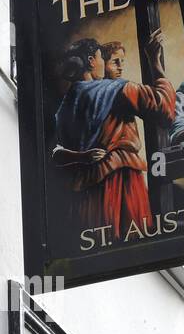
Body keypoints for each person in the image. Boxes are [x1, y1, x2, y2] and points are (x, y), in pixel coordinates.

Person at [51, 32, 176, 239]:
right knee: (133, 242)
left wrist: (82, 157)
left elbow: (57, 153)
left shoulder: (65, 107)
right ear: (91, 61)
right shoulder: (118, 90)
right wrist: (155, 63)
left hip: (84, 194)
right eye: (102, 57)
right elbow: (164, 109)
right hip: (120, 182)